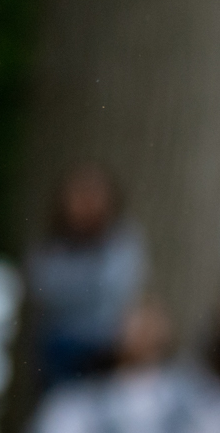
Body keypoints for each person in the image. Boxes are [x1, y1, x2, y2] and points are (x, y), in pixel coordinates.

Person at [27, 164, 146, 388]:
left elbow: (117, 289)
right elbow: (47, 292)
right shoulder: (51, 248)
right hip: (63, 347)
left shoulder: (122, 242)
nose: (86, 204)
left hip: (109, 345)